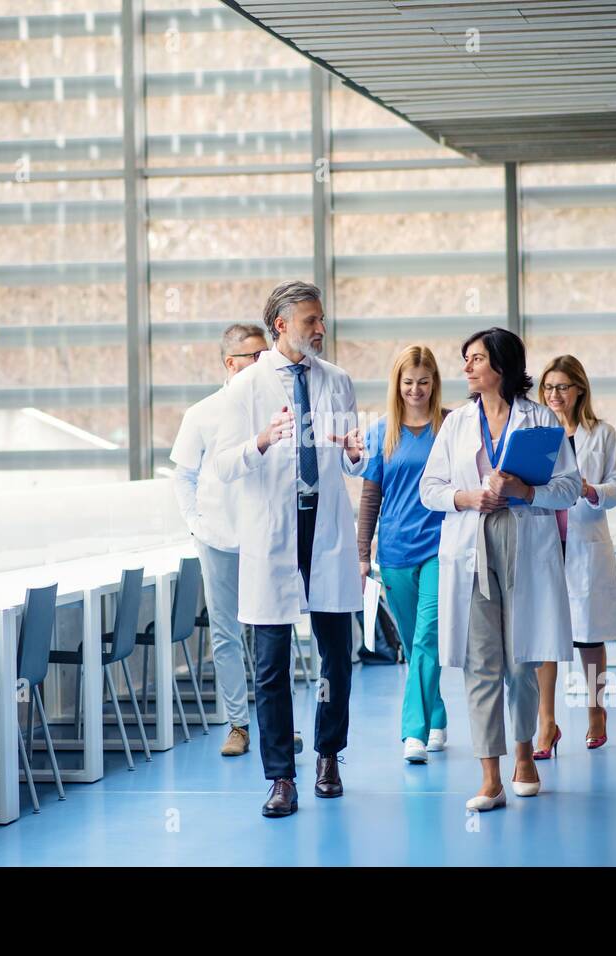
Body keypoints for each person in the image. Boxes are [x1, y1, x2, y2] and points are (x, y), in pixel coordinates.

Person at [214, 280, 367, 818]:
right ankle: (280, 776)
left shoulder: (338, 382)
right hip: (272, 535)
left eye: (321, 320)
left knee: (337, 661)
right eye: (310, 322)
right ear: (281, 325)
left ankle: (328, 755)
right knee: (271, 665)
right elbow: (222, 465)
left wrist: (353, 452)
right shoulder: (246, 388)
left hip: (323, 533)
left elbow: (351, 462)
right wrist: (261, 440)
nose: (320, 329)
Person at [419, 327, 580, 811]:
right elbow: (431, 489)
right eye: (465, 359)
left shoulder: (539, 422)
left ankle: (524, 754)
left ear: (502, 367)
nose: (466, 367)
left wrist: (526, 492)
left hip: (524, 538)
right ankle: (490, 776)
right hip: (472, 540)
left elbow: (569, 488)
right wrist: (466, 497)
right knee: (481, 663)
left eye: (476, 359)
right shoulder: (455, 424)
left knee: (522, 660)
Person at [170, 323, 268, 757]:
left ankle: (275, 721)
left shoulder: (273, 409)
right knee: (227, 635)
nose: (266, 363)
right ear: (232, 363)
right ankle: (238, 725)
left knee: (271, 632)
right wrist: (195, 523)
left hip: (264, 537)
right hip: (217, 539)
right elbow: (184, 475)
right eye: (255, 357)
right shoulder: (202, 413)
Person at [356, 346, 450, 764]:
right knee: (415, 646)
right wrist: (363, 553)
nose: (416, 390)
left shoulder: (450, 426)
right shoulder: (381, 431)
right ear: (397, 384)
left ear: (434, 383)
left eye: (423, 382)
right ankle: (437, 714)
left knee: (428, 636)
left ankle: (413, 732)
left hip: (441, 548)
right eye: (408, 382)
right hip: (394, 552)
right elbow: (370, 496)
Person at [534, 355, 616, 755]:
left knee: (588, 638)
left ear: (579, 390)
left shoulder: (601, 433)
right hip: (545, 543)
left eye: (563, 387)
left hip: (585, 541)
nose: (555, 395)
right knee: (545, 637)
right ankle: (546, 724)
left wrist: (594, 492)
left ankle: (595, 712)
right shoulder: (535, 433)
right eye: (549, 387)